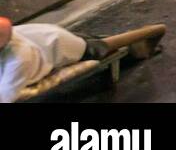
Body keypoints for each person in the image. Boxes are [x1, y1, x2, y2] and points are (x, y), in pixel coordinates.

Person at [0, 16, 166, 103]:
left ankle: (144, 42)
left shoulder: (20, 59)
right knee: (94, 41)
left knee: (102, 47)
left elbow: (5, 96)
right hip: (47, 36)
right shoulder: (9, 39)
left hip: (65, 46)